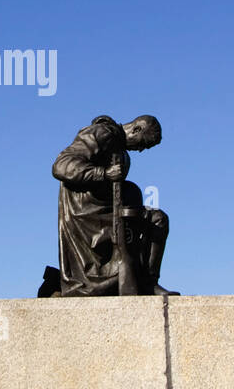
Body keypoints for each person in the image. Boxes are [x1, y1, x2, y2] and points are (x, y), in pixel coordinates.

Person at [49, 113, 176, 297]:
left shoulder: (121, 150)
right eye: (142, 144)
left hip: (108, 211)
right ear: (136, 129)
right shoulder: (101, 133)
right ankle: (139, 281)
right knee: (154, 219)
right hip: (88, 217)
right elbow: (61, 165)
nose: (140, 150)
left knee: (157, 220)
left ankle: (148, 281)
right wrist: (104, 173)